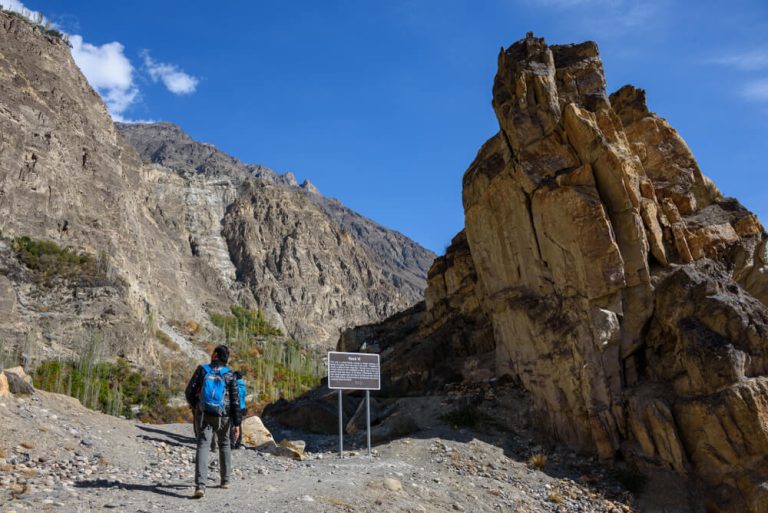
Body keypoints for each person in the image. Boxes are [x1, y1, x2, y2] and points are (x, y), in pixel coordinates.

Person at [185, 345, 242, 498]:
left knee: (203, 445)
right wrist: (237, 424)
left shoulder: (202, 370)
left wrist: (196, 406)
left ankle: (200, 486)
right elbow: (235, 400)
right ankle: (225, 481)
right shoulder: (229, 375)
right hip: (223, 416)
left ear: (215, 355)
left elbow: (189, 391)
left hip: (204, 414)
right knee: (224, 444)